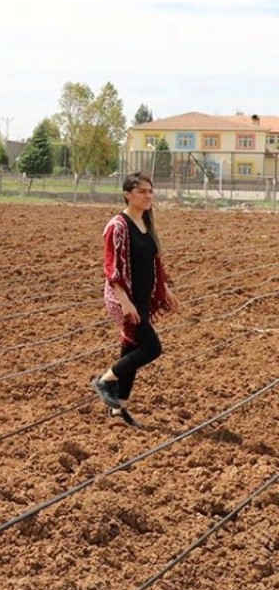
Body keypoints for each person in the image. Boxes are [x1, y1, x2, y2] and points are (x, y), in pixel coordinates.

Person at [91, 172, 179, 427]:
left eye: (150, 191)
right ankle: (105, 380)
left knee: (131, 348)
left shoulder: (147, 225)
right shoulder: (117, 226)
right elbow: (112, 268)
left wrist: (165, 289)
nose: (148, 196)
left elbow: (154, 263)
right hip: (123, 298)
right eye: (142, 191)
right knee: (152, 348)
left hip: (142, 297)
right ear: (127, 194)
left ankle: (118, 409)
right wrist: (125, 302)